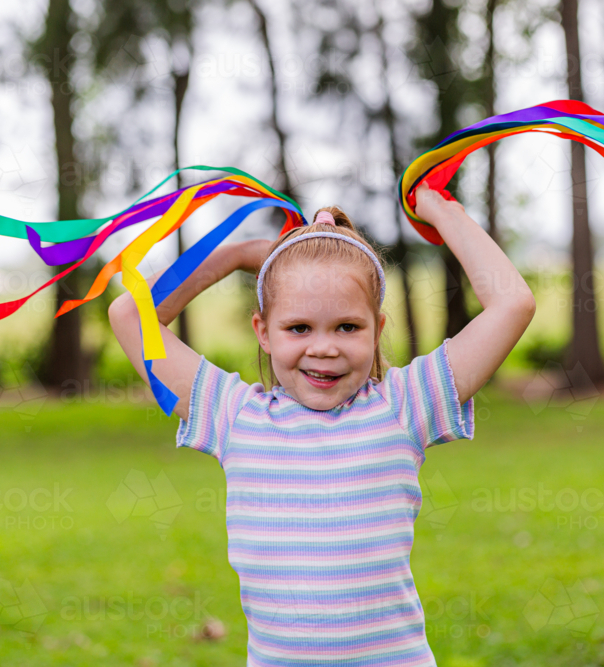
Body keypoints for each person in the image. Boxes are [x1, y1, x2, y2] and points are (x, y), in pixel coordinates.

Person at [108, 181, 536, 665]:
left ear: (377, 330)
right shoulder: (234, 416)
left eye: (347, 327)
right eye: (298, 327)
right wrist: (239, 256)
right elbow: (129, 312)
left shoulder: (405, 406)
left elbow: (512, 304)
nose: (324, 347)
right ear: (263, 331)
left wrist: (440, 209)